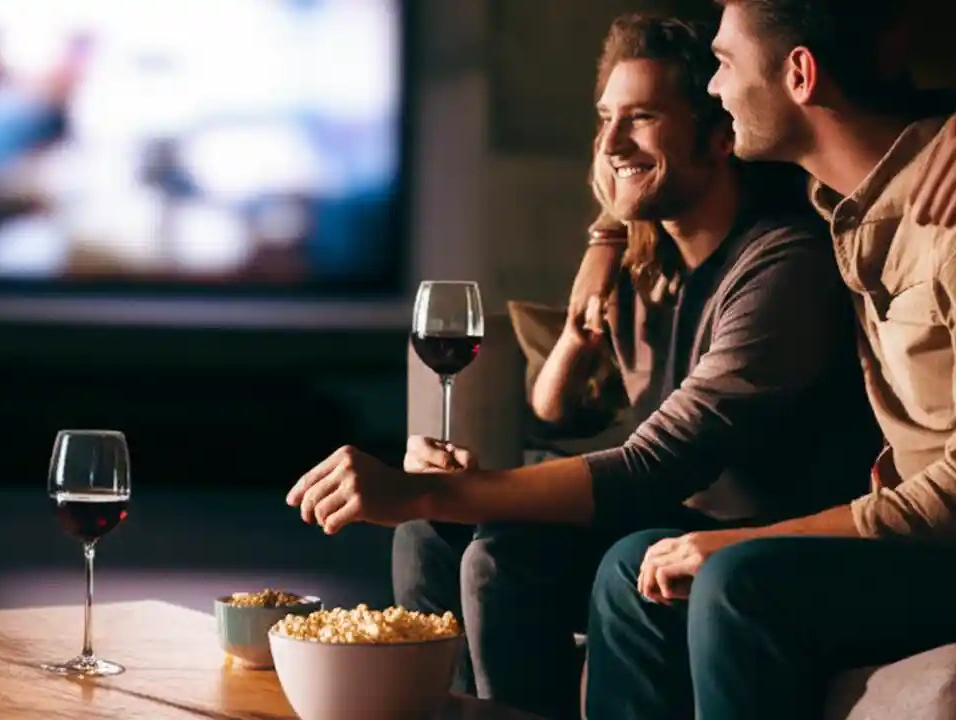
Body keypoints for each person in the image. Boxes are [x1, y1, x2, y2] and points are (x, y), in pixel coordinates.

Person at [286, 14, 880, 718]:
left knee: (506, 552)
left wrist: (424, 489)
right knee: (428, 535)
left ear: (722, 136)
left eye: (642, 117)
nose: (608, 143)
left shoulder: (786, 266)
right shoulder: (650, 259)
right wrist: (439, 499)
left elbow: (653, 467)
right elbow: (566, 408)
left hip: (752, 531)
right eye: (605, 118)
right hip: (665, 509)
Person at [582, 2, 956, 718]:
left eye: (722, 65)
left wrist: (741, 538)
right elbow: (650, 169)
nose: (712, 91)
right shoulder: (836, 203)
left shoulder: (943, 220)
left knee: (736, 579)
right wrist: (605, 238)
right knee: (636, 565)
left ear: (801, 74)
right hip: (910, 534)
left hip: (941, 545)